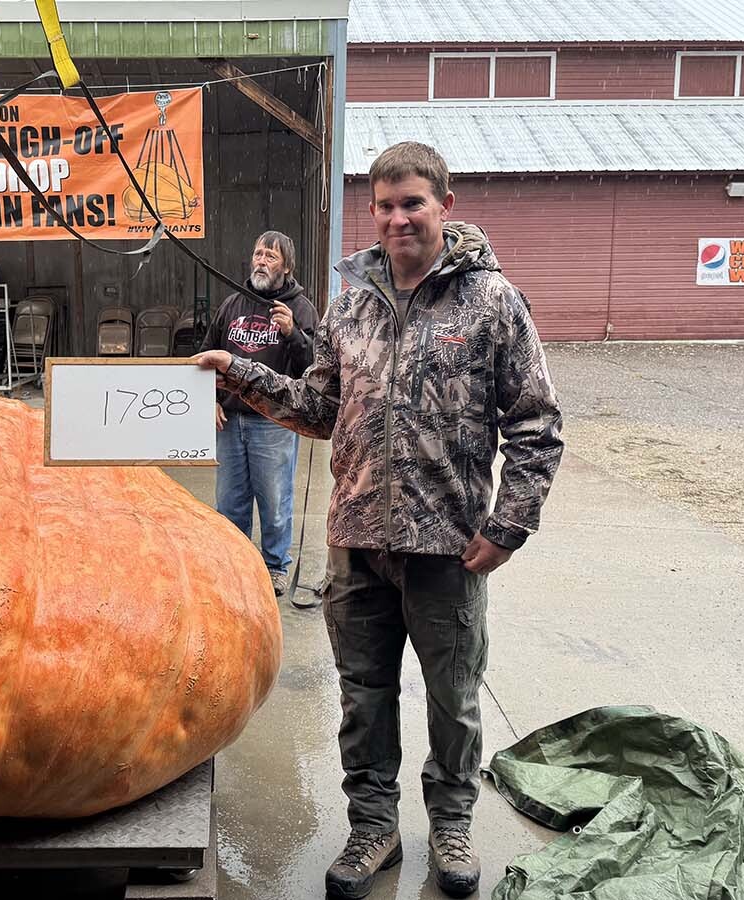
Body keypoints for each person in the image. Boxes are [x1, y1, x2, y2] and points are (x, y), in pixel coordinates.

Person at [195, 142, 563, 899]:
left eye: (414, 203)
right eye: (386, 205)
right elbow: (322, 407)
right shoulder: (349, 302)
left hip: (449, 548)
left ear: (444, 207)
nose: (399, 218)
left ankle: (452, 824)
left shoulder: (492, 302)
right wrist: (244, 374)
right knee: (363, 697)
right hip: (356, 542)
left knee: (453, 698)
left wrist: (508, 525)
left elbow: (536, 424)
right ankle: (373, 828)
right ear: (373, 210)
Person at [200, 231, 320, 599]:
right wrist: (210, 400)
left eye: (271, 256)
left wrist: (293, 334)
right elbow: (205, 356)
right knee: (230, 501)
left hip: (274, 423)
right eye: (257, 254)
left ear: (287, 266)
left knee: (274, 501)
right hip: (230, 421)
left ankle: (274, 567)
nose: (261, 261)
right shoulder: (232, 305)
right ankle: (233, 564)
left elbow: (315, 368)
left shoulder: (300, 310)